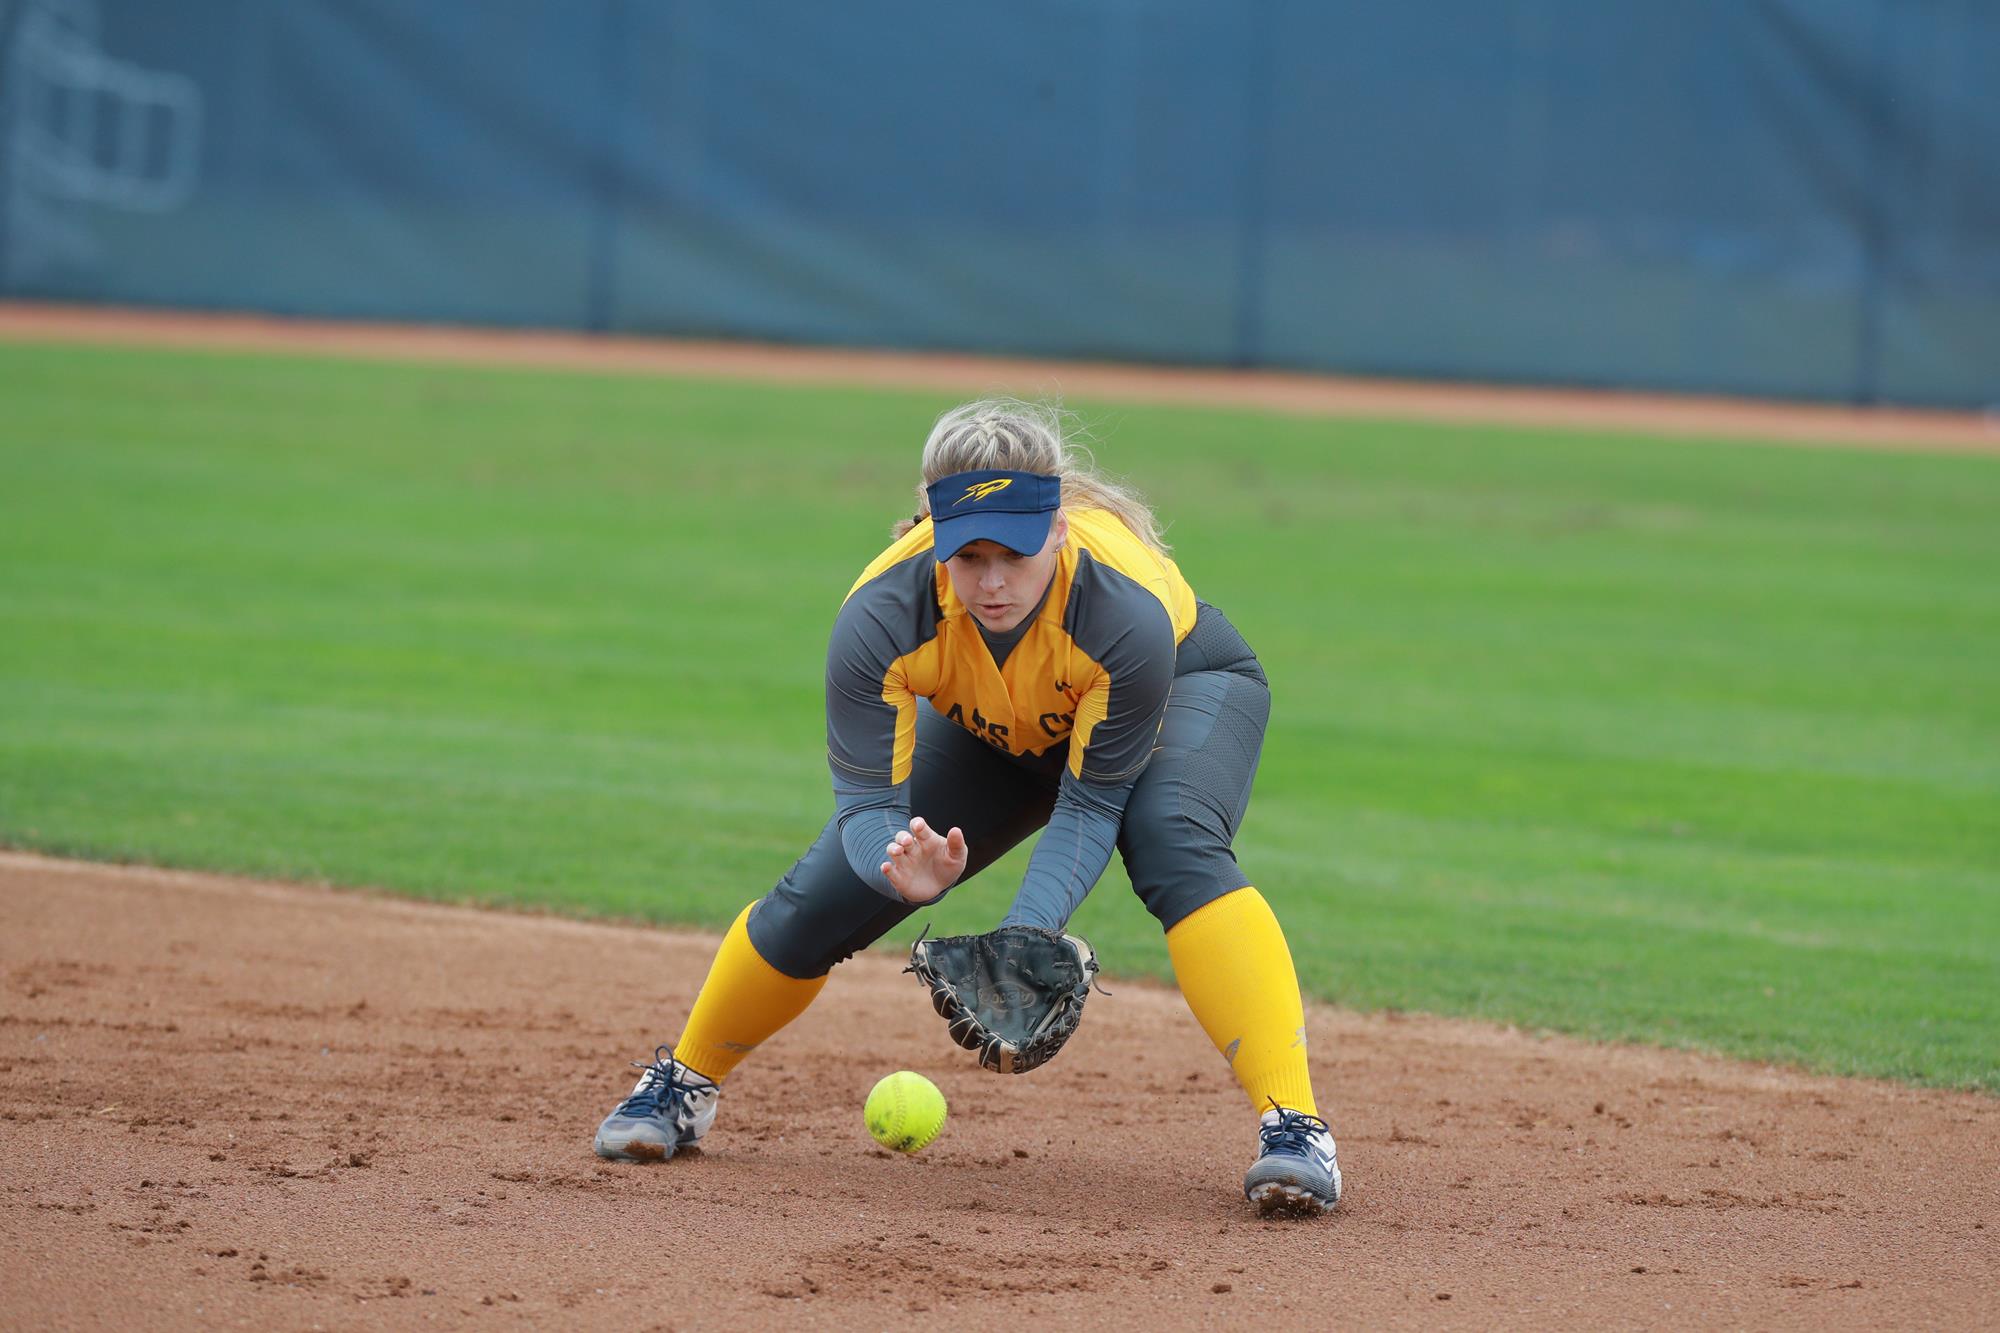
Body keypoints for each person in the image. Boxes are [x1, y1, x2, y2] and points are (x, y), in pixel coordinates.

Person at [593, 399, 1341, 1217]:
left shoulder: (1121, 614)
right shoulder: (884, 612)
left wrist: (1027, 932)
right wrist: (893, 859)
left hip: (1187, 682)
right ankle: (684, 1083)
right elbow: (867, 801)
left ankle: (1295, 1127)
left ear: (1057, 530)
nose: (991, 582)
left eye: (1015, 554)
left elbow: (1089, 804)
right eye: (969, 555)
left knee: (1171, 840)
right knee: (827, 891)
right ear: (932, 535)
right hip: (999, 724)